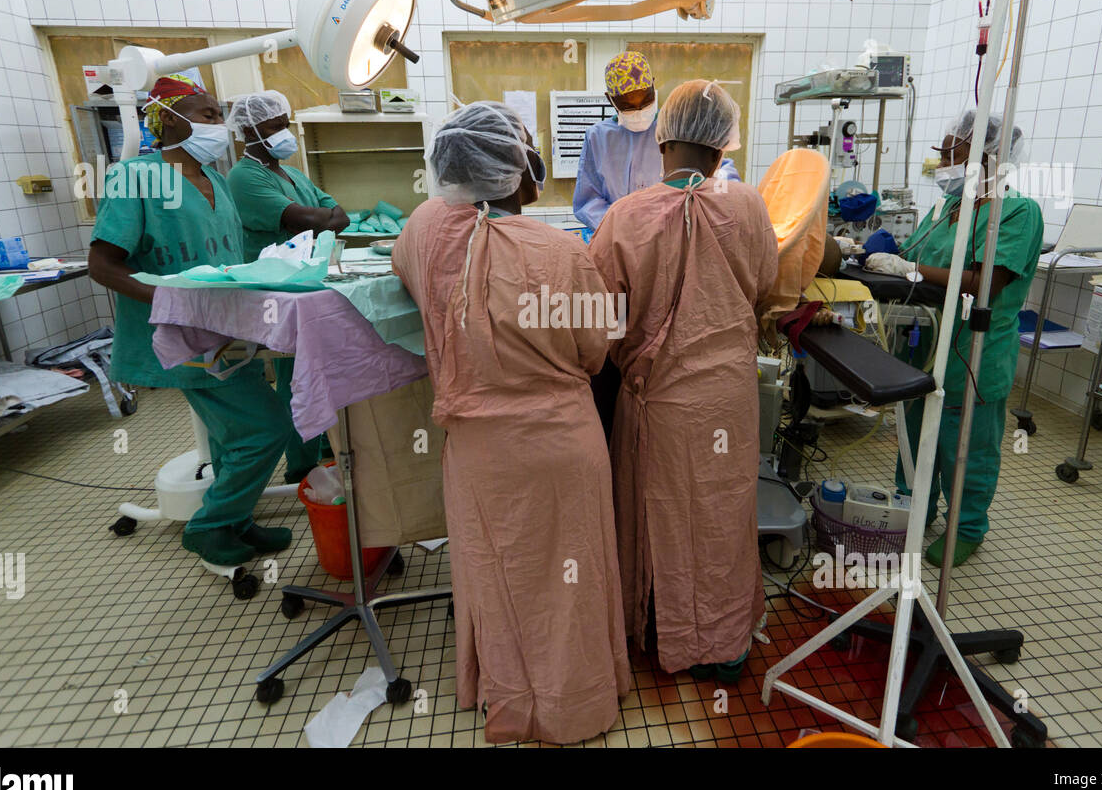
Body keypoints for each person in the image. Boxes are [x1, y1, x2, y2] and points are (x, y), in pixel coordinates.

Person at [391, 102, 630, 745]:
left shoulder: (422, 230)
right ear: (518, 170)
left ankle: (511, 697)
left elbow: (404, 271)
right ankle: (577, 702)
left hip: (480, 454)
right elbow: (595, 351)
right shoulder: (561, 253)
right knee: (571, 582)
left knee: (496, 574)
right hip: (561, 447)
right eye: (528, 148)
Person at [589, 80, 778, 681]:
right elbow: (764, 292)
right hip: (727, 401)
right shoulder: (749, 208)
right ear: (723, 148)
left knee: (661, 519)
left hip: (659, 407)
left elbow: (601, 326)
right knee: (722, 519)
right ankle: (725, 644)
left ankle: (657, 629)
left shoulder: (625, 218)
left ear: (662, 141)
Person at [88, 74, 294, 567]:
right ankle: (210, 525)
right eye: (207, 114)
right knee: (267, 428)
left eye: (220, 115)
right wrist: (173, 301)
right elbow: (103, 265)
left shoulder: (216, 180)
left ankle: (237, 519)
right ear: (169, 119)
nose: (220, 124)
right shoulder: (137, 177)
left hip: (227, 329)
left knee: (231, 436)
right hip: (181, 334)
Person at [867, 109, 1043, 567]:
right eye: (943, 153)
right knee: (914, 430)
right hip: (924, 341)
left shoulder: (1016, 212)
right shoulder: (949, 207)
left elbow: (985, 282)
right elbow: (918, 255)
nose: (942, 164)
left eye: (951, 154)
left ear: (988, 157)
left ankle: (966, 528)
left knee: (965, 445)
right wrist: (881, 254)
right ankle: (915, 506)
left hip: (975, 348)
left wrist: (908, 267)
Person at [226, 91, 349, 482]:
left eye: (285, 124)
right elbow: (305, 219)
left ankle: (326, 446)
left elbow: (340, 216)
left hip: (305, 288)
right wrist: (319, 218)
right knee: (297, 378)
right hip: (276, 294)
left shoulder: (292, 175)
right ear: (249, 131)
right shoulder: (244, 177)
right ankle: (301, 466)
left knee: (318, 370)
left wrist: (319, 219)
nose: (285, 133)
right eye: (275, 126)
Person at [572, 51, 740, 231]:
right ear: (610, 99)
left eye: (646, 100)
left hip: (671, 230)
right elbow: (588, 200)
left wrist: (724, 197)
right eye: (627, 106)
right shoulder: (598, 137)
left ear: (653, 85)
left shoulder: (675, 127)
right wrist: (620, 226)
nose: (639, 110)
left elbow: (718, 166)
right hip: (617, 232)